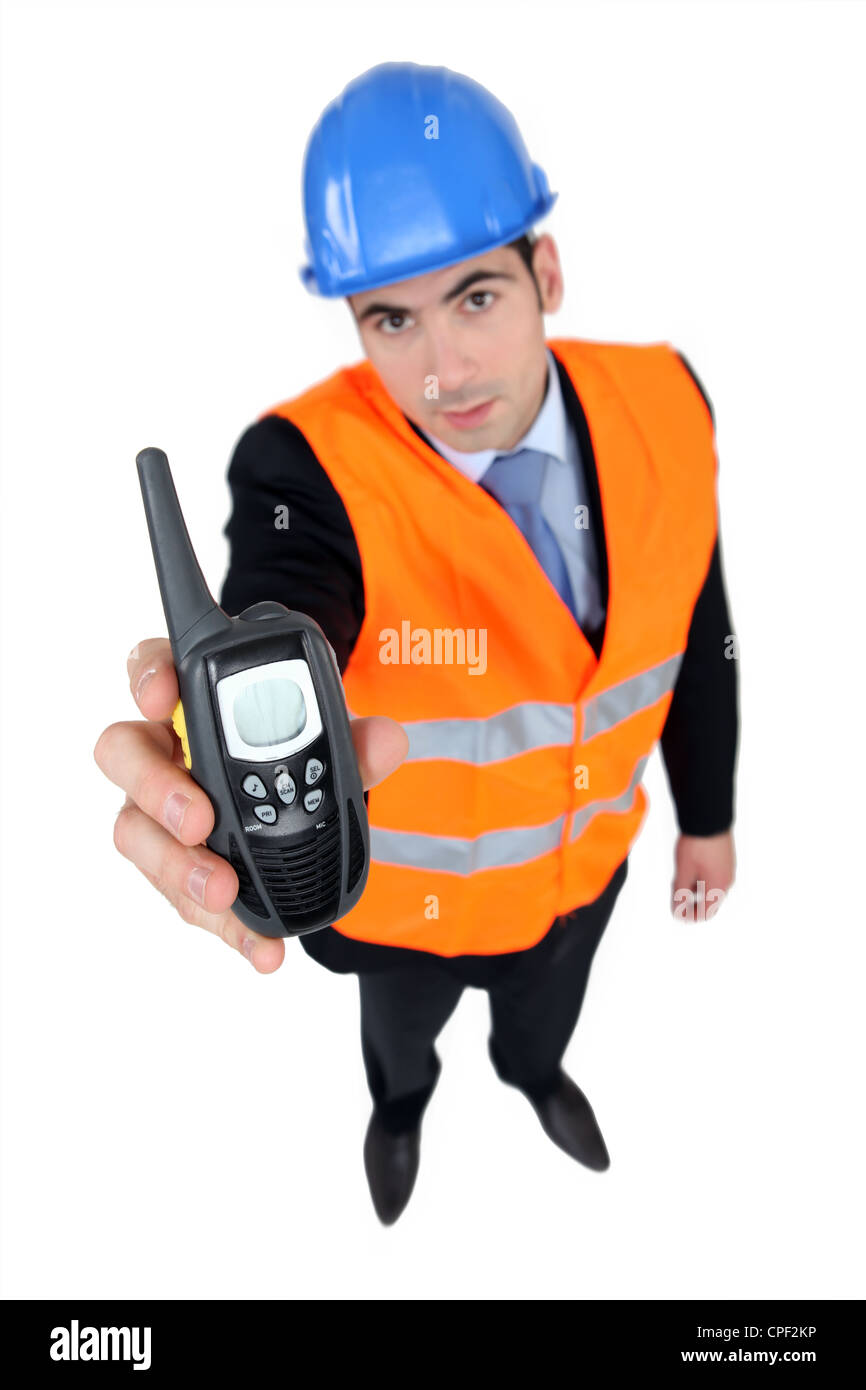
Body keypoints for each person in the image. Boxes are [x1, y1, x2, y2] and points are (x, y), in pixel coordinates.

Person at [94, 61, 738, 1226]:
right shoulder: (301, 468)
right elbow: (288, 585)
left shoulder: (667, 399)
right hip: (401, 916)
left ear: (544, 271)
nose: (440, 371)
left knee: (543, 1030)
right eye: (391, 318)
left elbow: (696, 625)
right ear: (352, 320)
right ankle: (399, 1114)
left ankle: (533, 1080)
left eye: (475, 298)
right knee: (398, 1049)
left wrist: (707, 817)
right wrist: (240, 664)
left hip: (582, 881)